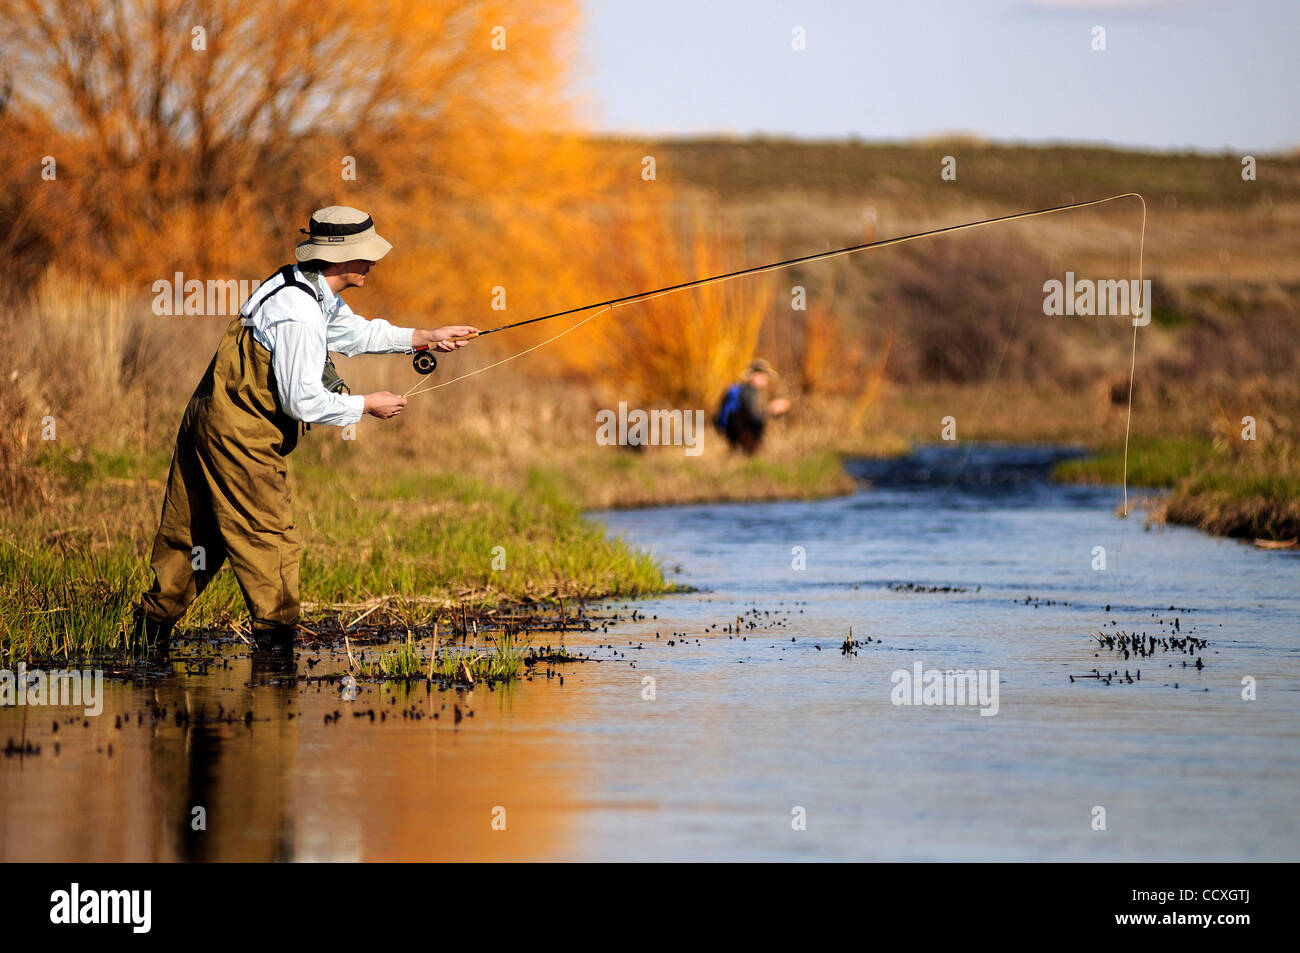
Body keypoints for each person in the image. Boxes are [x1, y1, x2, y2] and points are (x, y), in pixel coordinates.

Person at [133, 206, 479, 651]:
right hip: (241, 433)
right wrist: (365, 405)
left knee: (195, 533)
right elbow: (302, 400)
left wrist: (426, 335)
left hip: (209, 417)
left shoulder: (304, 286)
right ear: (337, 258)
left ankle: (146, 639)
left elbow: (353, 334)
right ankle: (276, 655)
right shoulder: (298, 312)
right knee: (272, 539)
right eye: (364, 254)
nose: (373, 262)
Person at [714, 358, 790, 454]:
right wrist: (772, 409)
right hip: (745, 441)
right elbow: (755, 417)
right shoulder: (750, 393)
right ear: (757, 375)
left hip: (736, 439)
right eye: (765, 376)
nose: (767, 379)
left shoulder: (742, 390)